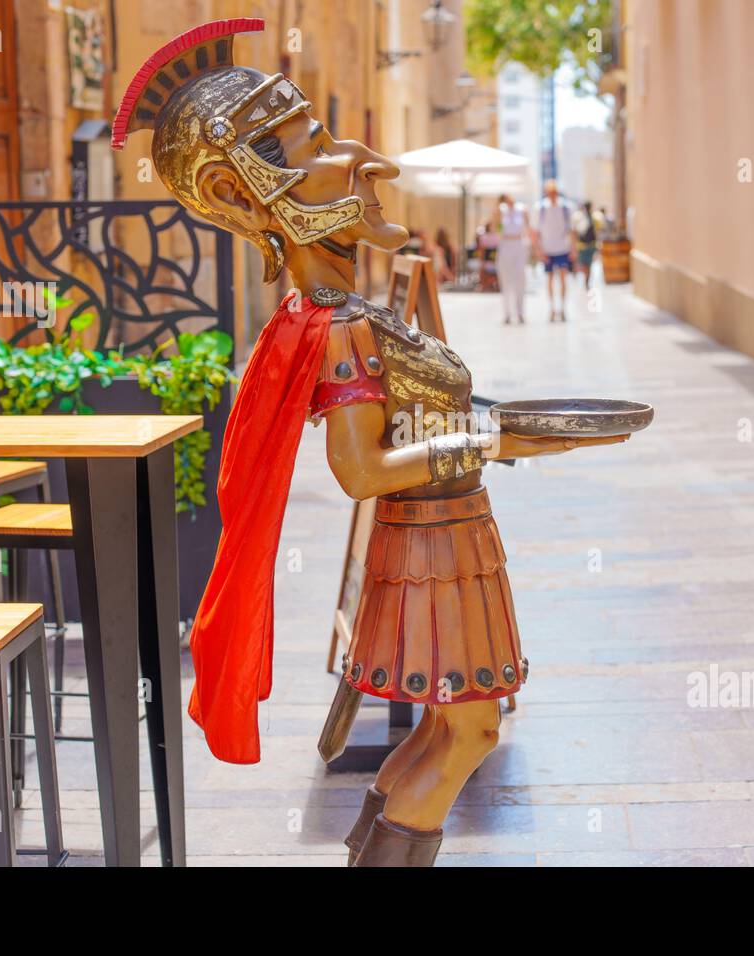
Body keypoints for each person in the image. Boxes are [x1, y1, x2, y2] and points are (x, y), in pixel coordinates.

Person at [113, 17, 627, 867]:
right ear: (247, 193)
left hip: (444, 539)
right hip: (431, 548)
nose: (368, 161)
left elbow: (412, 422)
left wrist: (514, 428)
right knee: (469, 730)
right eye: (316, 142)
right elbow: (357, 470)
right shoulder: (340, 326)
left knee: (452, 729)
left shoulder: (348, 316)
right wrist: (492, 438)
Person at [536, 179, 577, 321]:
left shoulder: (566, 207)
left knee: (564, 278)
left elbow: (572, 229)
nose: (552, 195)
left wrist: (573, 249)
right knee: (550, 278)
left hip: (562, 248)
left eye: (554, 192)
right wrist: (539, 250)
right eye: (549, 192)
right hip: (548, 248)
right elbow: (537, 231)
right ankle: (552, 308)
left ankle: (563, 307)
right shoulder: (540, 208)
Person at [494, 193, 530, 323]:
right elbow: (496, 228)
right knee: (505, 279)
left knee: (520, 278)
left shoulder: (522, 209)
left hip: (519, 245)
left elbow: (528, 227)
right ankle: (507, 313)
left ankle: (520, 312)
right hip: (505, 246)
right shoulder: (500, 211)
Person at [574, 200, 598, 288]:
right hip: (586, 245)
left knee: (586, 264)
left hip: (586, 245)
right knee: (587, 264)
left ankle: (586, 279)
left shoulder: (584, 217)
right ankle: (586, 279)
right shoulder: (590, 218)